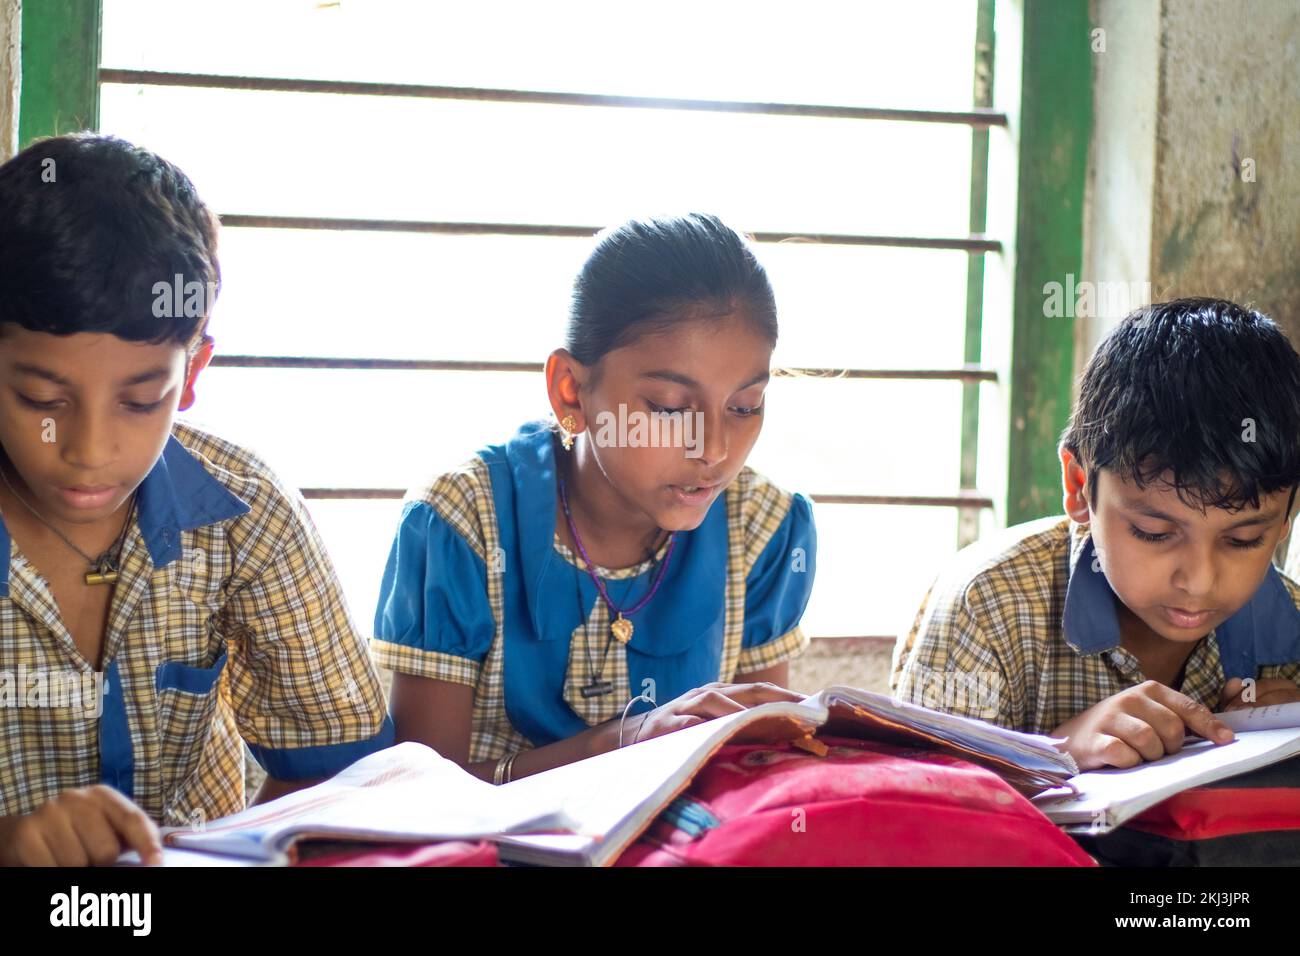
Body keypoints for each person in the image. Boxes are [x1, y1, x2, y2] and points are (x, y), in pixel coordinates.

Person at [0, 133, 393, 865]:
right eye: (42, 398)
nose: (90, 450)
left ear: (193, 371)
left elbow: (348, 782)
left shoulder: (245, 516)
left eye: (142, 400)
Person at [375, 213, 817, 783]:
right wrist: (616, 745)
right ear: (571, 391)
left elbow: (757, 769)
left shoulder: (764, 527)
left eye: (744, 406)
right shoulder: (462, 523)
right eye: (667, 407)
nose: (712, 449)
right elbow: (417, 798)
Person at [892, 298, 1300, 770]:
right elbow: (917, 810)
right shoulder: (988, 607)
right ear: (1080, 487)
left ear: (1286, 516)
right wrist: (1055, 755)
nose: (1200, 581)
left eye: (1244, 540)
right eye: (1153, 532)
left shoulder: (1289, 630)